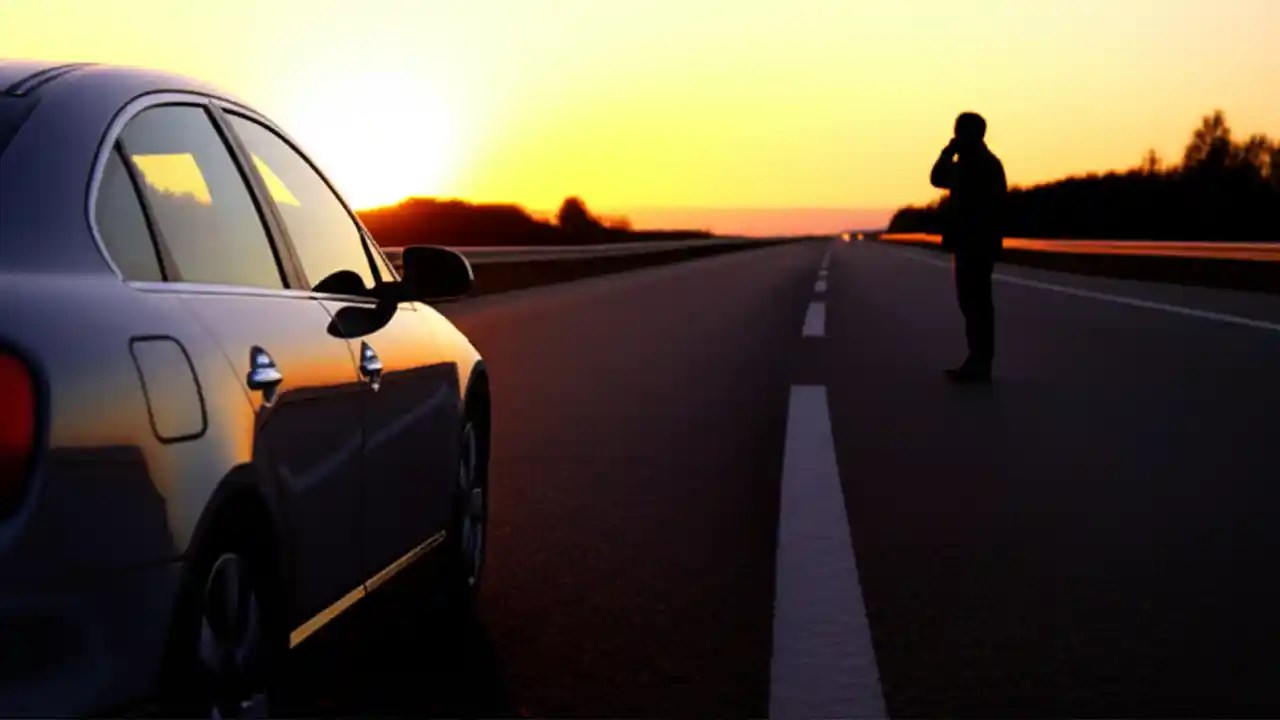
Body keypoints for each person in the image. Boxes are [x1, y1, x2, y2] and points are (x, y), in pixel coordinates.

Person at [930, 111, 1007, 384]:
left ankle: (981, 363)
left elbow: (994, 206)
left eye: (960, 132)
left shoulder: (986, 164)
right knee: (969, 302)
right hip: (966, 243)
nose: (956, 136)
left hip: (978, 244)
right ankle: (975, 360)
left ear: (974, 134)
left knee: (978, 303)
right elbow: (937, 178)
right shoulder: (964, 164)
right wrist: (947, 152)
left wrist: (977, 233)